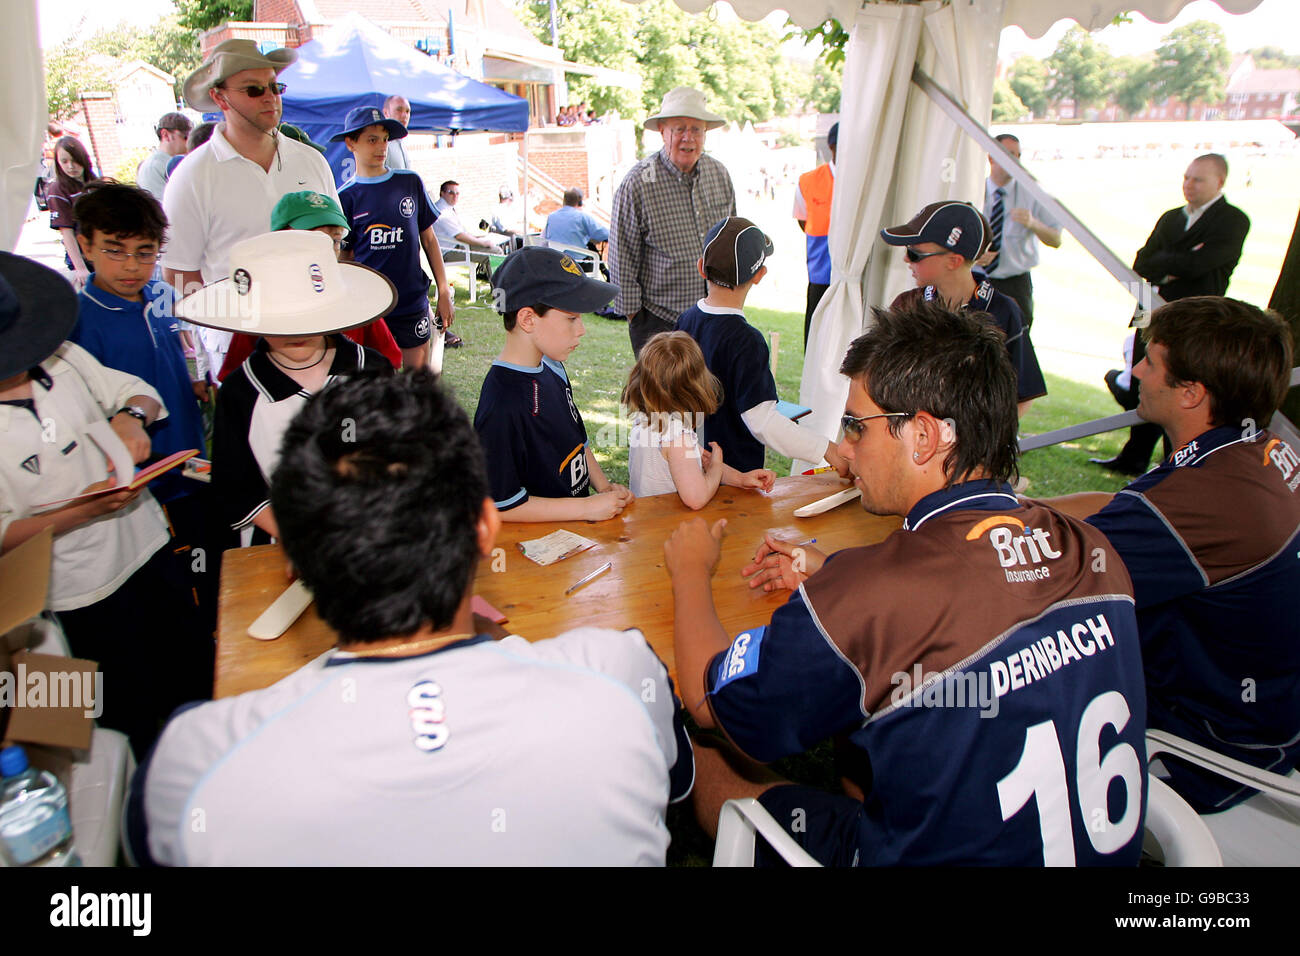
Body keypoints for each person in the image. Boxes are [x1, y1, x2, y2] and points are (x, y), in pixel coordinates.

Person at [126, 368, 692, 866]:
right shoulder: (620, 673)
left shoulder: (198, 760)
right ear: (485, 528)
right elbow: (674, 777)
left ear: (297, 554)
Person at [663, 300, 1148, 866]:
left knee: (709, 751)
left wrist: (692, 571)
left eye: (854, 426)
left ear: (923, 437)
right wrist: (843, 577)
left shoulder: (872, 596)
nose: (843, 450)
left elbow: (708, 697)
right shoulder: (1090, 550)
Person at [1049, 297, 1297, 814]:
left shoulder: (1210, 498)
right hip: (1268, 709)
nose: (1136, 370)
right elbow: (1130, 507)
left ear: (1192, 393)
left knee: (977, 677)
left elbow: (1047, 573)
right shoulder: (1249, 450)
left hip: (1211, 744)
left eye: (1152, 361)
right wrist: (1020, 504)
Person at [0, 253, 213, 757]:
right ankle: (137, 803)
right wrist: (82, 511)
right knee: (115, 720)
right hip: (72, 593)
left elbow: (138, 392)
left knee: (193, 673)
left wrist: (131, 418)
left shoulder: (65, 358)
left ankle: (207, 759)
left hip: (146, 548)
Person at [184, 230, 395, 543]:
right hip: (281, 543)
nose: (296, 332)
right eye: (279, 320)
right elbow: (236, 485)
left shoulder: (373, 370)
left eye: (307, 316)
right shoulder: (239, 392)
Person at [67, 181, 215, 622]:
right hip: (135, 488)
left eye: (145, 252)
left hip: (192, 460)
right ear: (85, 246)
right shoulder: (76, 321)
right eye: (115, 249)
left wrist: (197, 378)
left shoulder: (164, 296)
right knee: (164, 587)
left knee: (207, 562)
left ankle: (211, 640)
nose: (132, 266)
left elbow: (186, 348)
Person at [163, 39, 338, 384]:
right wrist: (232, 324)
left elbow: (334, 248)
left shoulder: (312, 161)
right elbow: (179, 274)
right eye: (254, 89)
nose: (270, 98)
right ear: (219, 97)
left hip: (315, 339)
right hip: (237, 348)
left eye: (275, 86)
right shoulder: (192, 176)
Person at [1091, 154, 1251, 477]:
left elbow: (1202, 265)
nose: (1189, 185)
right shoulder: (1170, 218)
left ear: (1220, 182)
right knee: (1144, 383)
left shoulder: (1233, 220)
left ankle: (1174, 461)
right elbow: (1142, 263)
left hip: (1192, 324)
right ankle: (1134, 456)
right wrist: (1177, 264)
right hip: (1151, 315)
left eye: (1198, 180)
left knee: (1179, 389)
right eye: (1186, 178)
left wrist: (1170, 263)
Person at [475, 247, 634, 522]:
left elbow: (578, 443)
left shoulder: (552, 366)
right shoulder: (502, 405)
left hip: (574, 536)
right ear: (528, 319)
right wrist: (586, 508)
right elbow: (501, 504)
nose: (582, 329)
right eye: (571, 318)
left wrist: (604, 488)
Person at [676, 217, 846, 474]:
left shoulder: (684, 320)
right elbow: (762, 420)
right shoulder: (747, 341)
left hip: (690, 466)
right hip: (736, 477)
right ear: (759, 275)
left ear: (701, 267)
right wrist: (827, 449)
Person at [880, 200, 1046, 416]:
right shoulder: (906, 305)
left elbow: (1022, 394)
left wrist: (985, 441)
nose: (905, 258)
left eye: (915, 253)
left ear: (953, 261)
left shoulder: (1002, 311)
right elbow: (879, 377)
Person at [217, 191, 404, 378]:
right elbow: (235, 377)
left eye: (335, 241)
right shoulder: (260, 305)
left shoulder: (357, 300)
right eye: (312, 240)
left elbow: (389, 361)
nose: (328, 251)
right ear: (279, 241)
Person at [608, 87, 737, 356]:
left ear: (705, 134)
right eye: (679, 129)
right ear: (663, 131)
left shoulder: (719, 174)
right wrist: (637, 319)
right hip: (660, 324)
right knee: (663, 398)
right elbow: (621, 257)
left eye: (696, 130)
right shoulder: (638, 183)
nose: (688, 138)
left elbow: (732, 241)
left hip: (715, 316)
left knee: (713, 396)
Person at [334, 106, 457, 366]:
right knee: (377, 385)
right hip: (370, 309)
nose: (381, 147)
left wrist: (443, 291)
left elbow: (430, 240)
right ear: (350, 143)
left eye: (385, 139)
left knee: (419, 386)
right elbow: (345, 259)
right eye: (371, 139)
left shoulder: (409, 182)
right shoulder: (345, 197)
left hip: (411, 303)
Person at [622, 331, 775, 507]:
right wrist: (716, 466)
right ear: (696, 385)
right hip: (667, 527)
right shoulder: (677, 438)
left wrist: (740, 479)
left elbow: (700, 462)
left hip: (647, 521)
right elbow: (696, 498)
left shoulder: (647, 419)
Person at [975, 133, 1061, 330]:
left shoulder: (1033, 193)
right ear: (991, 157)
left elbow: (1056, 240)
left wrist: (1034, 224)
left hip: (1015, 284)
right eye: (1009, 153)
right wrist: (973, 254)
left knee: (1017, 340)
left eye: (1018, 155)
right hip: (976, 281)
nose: (1015, 160)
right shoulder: (973, 189)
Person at [793, 121, 836, 344]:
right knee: (815, 338)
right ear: (832, 147)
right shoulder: (809, 181)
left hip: (857, 277)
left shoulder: (864, 181)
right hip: (820, 274)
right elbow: (803, 220)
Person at [46, 135, 97, 290]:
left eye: (75, 160)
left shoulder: (93, 183)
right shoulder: (58, 189)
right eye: (64, 161)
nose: (71, 166)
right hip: (84, 258)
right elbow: (66, 232)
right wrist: (80, 268)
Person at [431, 180, 504, 253]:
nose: (455, 196)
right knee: (496, 251)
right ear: (442, 193)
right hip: (451, 250)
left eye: (457, 193)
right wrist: (483, 243)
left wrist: (478, 238)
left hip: (458, 245)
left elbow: (461, 232)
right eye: (451, 193)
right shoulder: (443, 211)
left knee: (493, 246)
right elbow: (459, 236)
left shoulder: (448, 208)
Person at [135, 112, 193, 201]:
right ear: (165, 135)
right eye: (185, 137)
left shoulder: (180, 161)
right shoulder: (152, 167)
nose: (189, 142)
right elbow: (166, 207)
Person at [544, 187, 608, 251]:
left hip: (556, 257)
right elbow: (604, 234)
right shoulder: (582, 217)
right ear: (580, 202)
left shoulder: (551, 217)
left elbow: (544, 238)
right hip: (576, 259)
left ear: (564, 201)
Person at [381, 94, 412, 170]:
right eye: (399, 110)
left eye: (407, 111)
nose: (404, 115)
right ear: (386, 113)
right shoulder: (381, 145)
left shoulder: (402, 143)